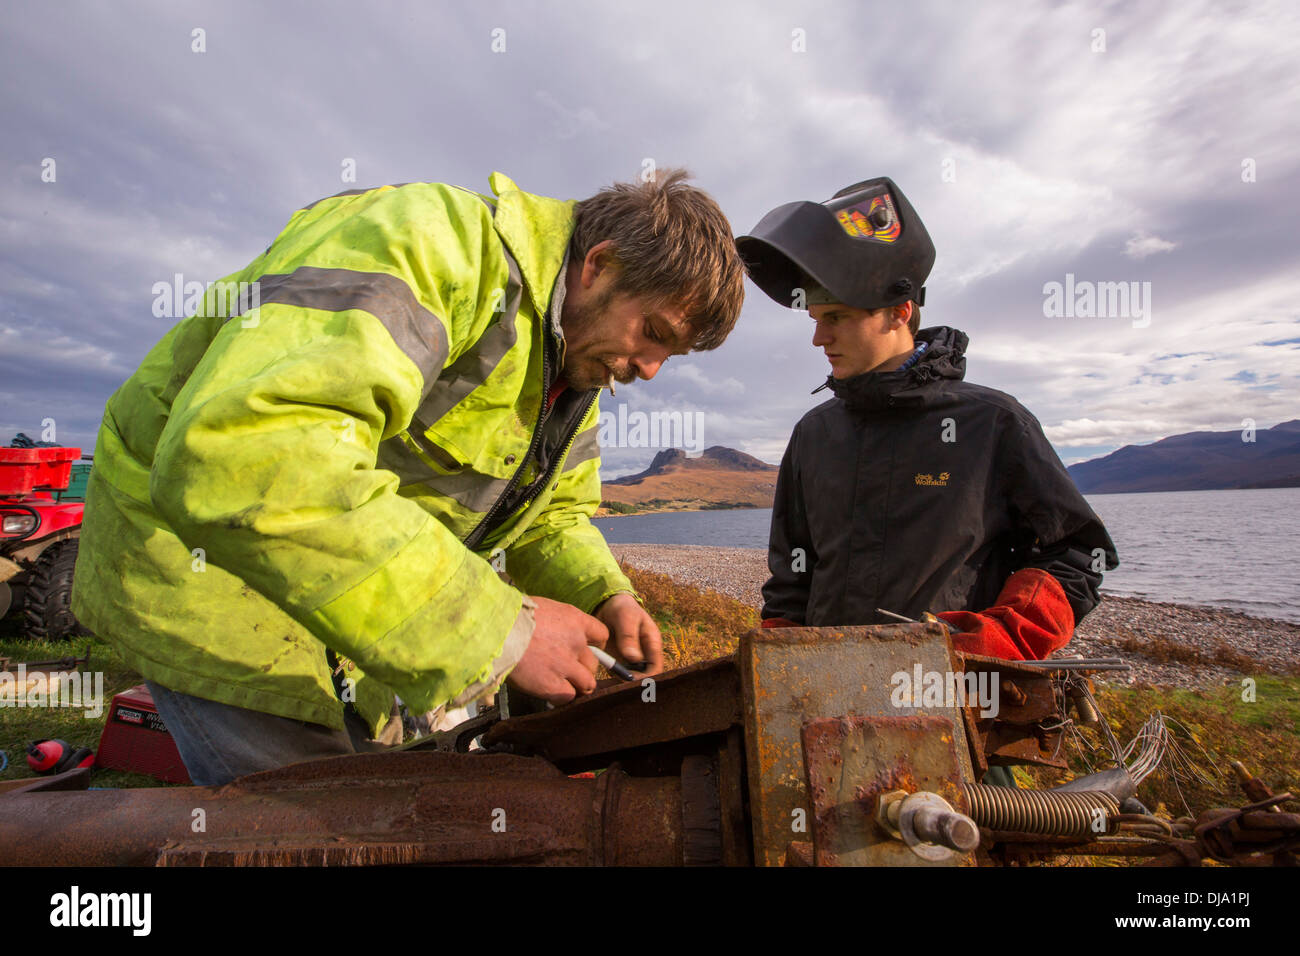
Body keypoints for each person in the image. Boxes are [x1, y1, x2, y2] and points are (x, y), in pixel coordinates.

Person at [72, 169, 746, 785]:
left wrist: (606, 596)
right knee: (319, 822)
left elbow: (554, 518)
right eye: (653, 332)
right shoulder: (431, 242)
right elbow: (252, 454)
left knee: (385, 784)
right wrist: (499, 632)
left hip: (337, 584)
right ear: (599, 266)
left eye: (671, 355)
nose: (650, 368)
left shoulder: (575, 370)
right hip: (209, 568)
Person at [736, 177, 1118, 665]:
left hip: (956, 700)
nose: (818, 338)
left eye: (834, 317)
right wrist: (782, 657)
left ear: (899, 312)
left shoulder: (994, 423)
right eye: (814, 318)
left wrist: (998, 640)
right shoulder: (814, 434)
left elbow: (1078, 554)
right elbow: (792, 578)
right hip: (830, 697)